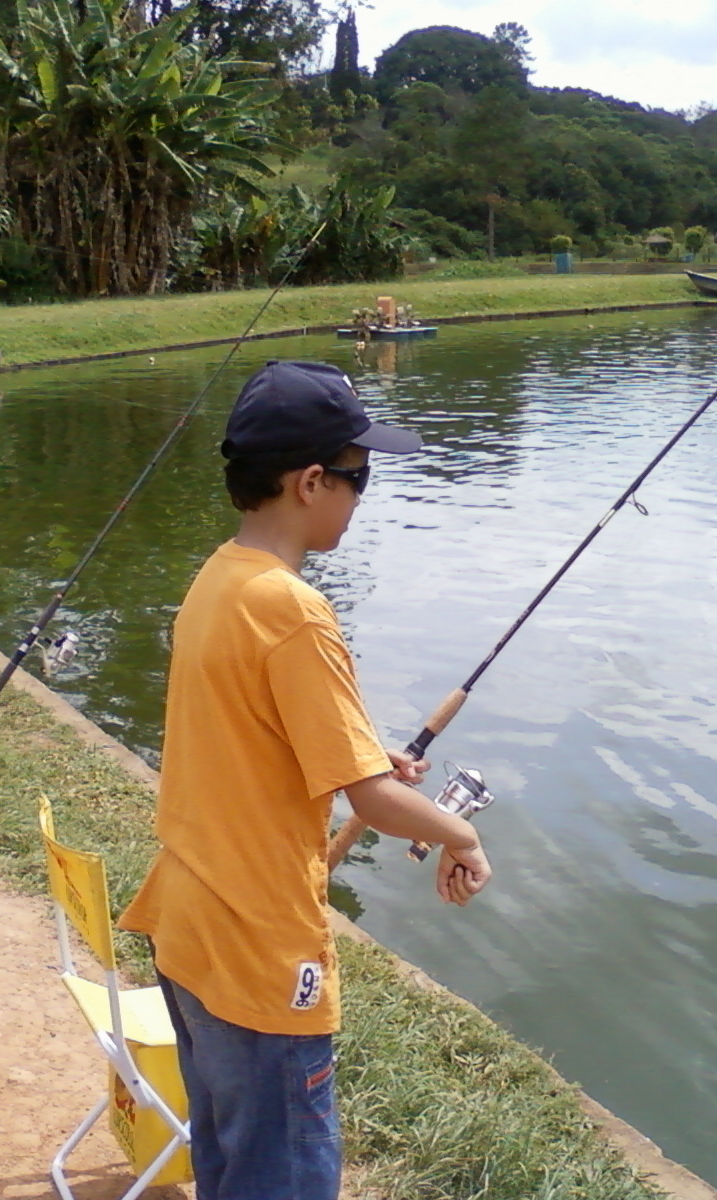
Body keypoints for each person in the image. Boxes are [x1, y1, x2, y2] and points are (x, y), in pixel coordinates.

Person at [118, 360, 492, 1200]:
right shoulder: (295, 611)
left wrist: (359, 758)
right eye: (360, 476)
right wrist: (459, 833)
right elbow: (370, 801)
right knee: (282, 1174)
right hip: (259, 955)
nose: (364, 494)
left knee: (228, 1161)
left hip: (190, 928)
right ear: (311, 481)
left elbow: (254, 742)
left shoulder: (217, 582)